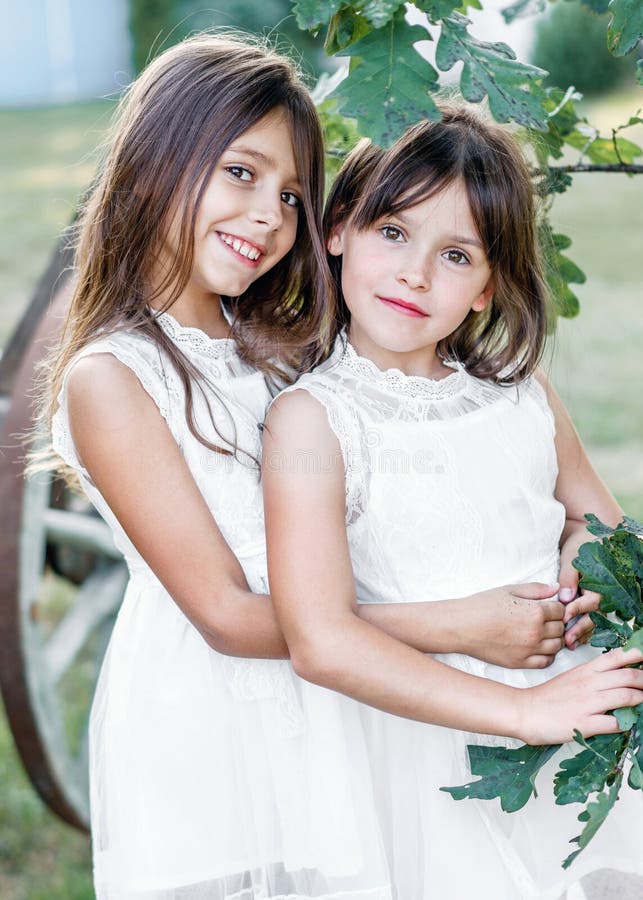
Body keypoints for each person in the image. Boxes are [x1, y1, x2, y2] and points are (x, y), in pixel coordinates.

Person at [43, 34, 576, 899]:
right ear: (151, 163)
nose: (267, 215)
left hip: (337, 704)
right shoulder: (113, 379)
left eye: (291, 194)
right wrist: (457, 625)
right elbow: (223, 615)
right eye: (241, 173)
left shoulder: (276, 345)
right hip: (217, 720)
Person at [262, 107, 643, 898]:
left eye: (455, 254)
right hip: (421, 742)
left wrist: (580, 574)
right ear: (337, 230)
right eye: (393, 233)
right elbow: (320, 638)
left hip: (561, 715)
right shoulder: (315, 420)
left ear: (485, 288)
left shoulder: (520, 397)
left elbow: (594, 521)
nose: (415, 273)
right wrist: (525, 713)